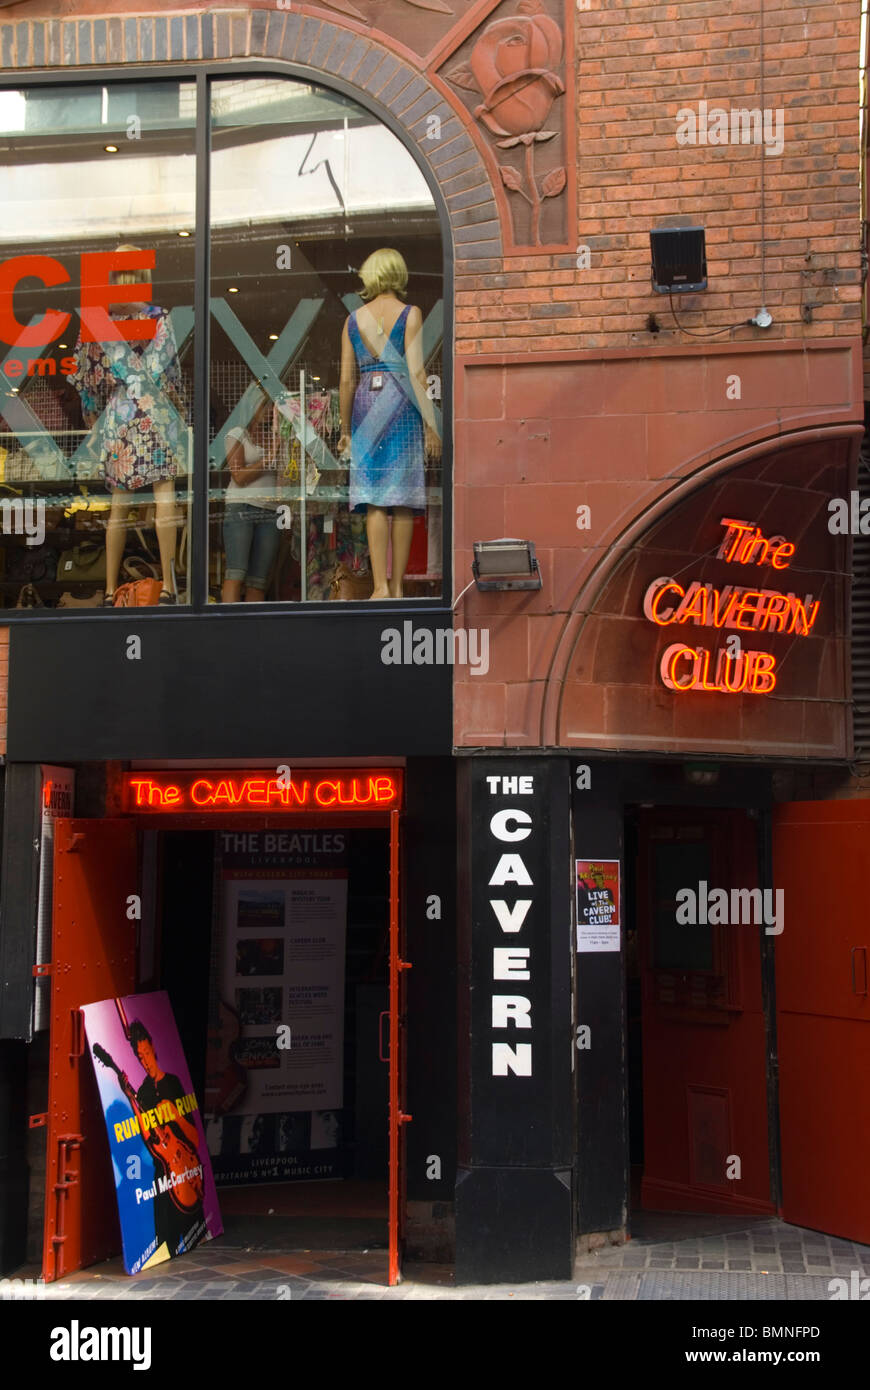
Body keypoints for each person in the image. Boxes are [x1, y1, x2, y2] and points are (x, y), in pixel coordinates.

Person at [68, 244, 187, 606]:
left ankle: (107, 589)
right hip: (155, 407)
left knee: (119, 501)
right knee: (163, 494)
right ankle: (167, 585)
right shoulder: (159, 316)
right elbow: (172, 371)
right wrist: (180, 412)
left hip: (119, 412)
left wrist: (93, 417)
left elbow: (86, 376)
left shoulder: (99, 319)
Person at [337, 248, 441, 600]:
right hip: (400, 406)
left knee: (374, 499)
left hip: (366, 405)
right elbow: (415, 371)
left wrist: (345, 429)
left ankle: (378, 587)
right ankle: (396, 585)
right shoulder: (410, 314)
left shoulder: (353, 320)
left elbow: (347, 381)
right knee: (403, 499)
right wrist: (430, 423)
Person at [128, 1018, 206, 1257]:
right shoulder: (142, 1092)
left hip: (187, 1172)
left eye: (147, 1053)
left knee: (197, 1235)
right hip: (164, 1176)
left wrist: (175, 1114)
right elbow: (148, 1141)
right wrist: (132, 1101)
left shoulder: (173, 1082)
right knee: (165, 1245)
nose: (145, 1061)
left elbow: (195, 1138)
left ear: (153, 1048)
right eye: (139, 1057)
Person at [221, 390, 283, 603]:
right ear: (251, 407)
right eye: (263, 406)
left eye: (271, 406)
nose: (268, 411)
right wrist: (269, 458)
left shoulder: (275, 435)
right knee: (236, 572)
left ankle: (254, 630)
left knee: (259, 580)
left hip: (271, 510)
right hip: (241, 507)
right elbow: (238, 476)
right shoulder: (237, 433)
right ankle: (228, 627)